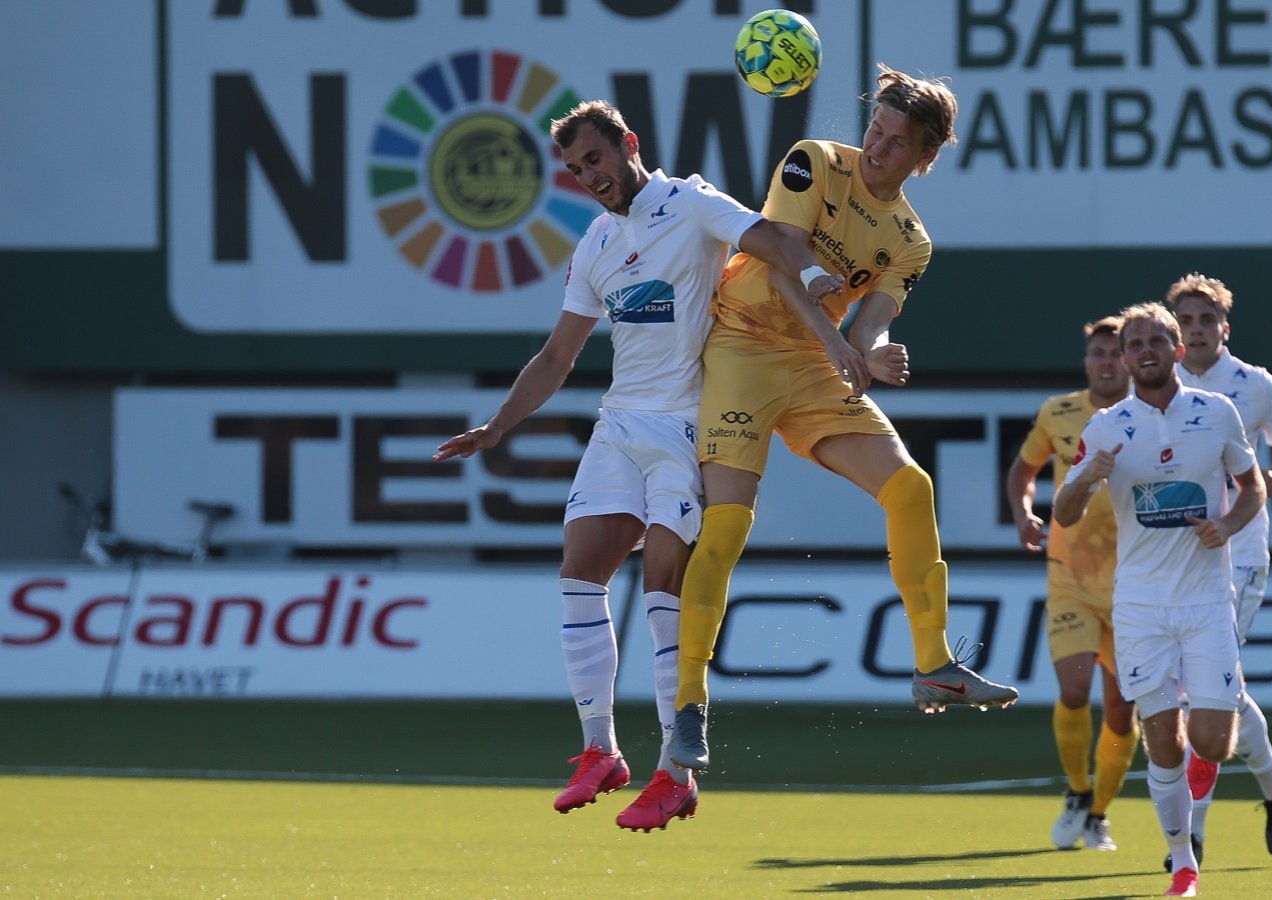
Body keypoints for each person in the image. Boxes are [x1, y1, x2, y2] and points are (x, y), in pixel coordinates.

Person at [433, 100, 840, 833]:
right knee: (579, 571)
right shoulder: (593, 243)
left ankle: (674, 775)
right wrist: (497, 427)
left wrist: (812, 276)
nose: (589, 177)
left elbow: (770, 236)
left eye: (595, 159)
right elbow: (558, 356)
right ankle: (601, 751)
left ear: (628, 145)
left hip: (689, 425)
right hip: (620, 425)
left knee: (664, 589)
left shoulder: (687, 202)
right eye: (576, 169)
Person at [668, 64, 1019, 774]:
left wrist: (877, 353)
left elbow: (872, 327)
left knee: (910, 487)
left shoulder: (911, 240)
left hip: (814, 364)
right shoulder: (815, 163)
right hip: (739, 343)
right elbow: (781, 261)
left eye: (896, 143)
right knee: (730, 524)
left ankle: (933, 664)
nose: (877, 146)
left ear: (926, 157)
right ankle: (688, 706)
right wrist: (839, 344)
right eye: (876, 129)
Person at [1053, 302, 1265, 898]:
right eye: (1133, 344)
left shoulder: (1218, 413)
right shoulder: (1105, 427)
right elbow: (1062, 514)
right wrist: (1088, 476)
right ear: (1122, 360)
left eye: (1156, 339)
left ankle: (1189, 836)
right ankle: (1182, 862)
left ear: (1176, 347)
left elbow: (1251, 489)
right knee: (1163, 739)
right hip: (1141, 606)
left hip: (1205, 603)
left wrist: (1228, 525)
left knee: (1212, 741)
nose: (1144, 350)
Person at [1165, 272, 1272, 863]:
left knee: (1202, 691)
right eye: (1186, 321)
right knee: (1213, 690)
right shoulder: (1154, 383)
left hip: (1238, 555)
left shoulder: (1254, 385)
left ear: (1225, 327)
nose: (1195, 331)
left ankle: (1190, 835)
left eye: (1206, 320)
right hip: (1170, 561)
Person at [1005, 316, 1140, 852]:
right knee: (1073, 690)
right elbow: (1023, 470)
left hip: (1136, 588)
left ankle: (1100, 813)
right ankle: (1078, 793)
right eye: (1099, 353)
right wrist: (1022, 515)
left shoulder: (1150, 417)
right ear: (1087, 361)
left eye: (1116, 353)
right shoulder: (1058, 412)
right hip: (1071, 581)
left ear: (1130, 360)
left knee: (1122, 711)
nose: (1107, 361)